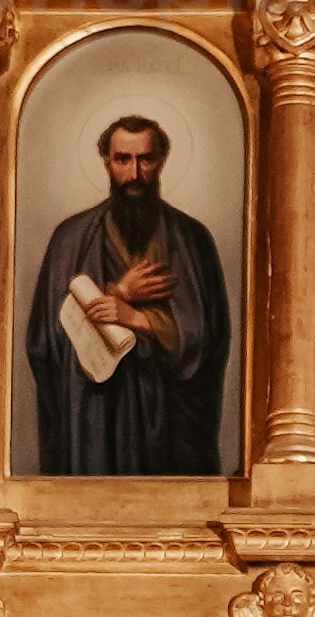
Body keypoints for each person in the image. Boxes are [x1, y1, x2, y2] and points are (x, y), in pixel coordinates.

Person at [25, 109, 234, 473]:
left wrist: (136, 318)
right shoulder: (70, 239)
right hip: (94, 420)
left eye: (145, 159)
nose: (134, 174)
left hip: (171, 427)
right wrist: (117, 291)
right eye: (123, 159)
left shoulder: (193, 240)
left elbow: (210, 339)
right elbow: (47, 342)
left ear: (161, 161)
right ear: (107, 162)